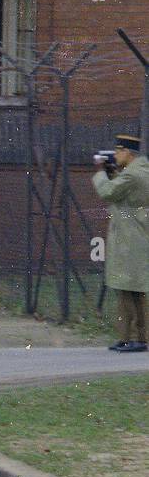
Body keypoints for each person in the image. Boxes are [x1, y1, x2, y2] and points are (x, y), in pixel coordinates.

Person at [93, 134, 149, 352]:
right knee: (126, 289)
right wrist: (112, 172)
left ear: (129, 153)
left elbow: (109, 191)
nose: (116, 155)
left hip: (132, 238)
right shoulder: (137, 171)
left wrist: (100, 172)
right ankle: (127, 337)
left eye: (119, 151)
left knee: (132, 288)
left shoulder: (134, 174)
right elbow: (123, 192)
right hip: (129, 235)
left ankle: (138, 338)